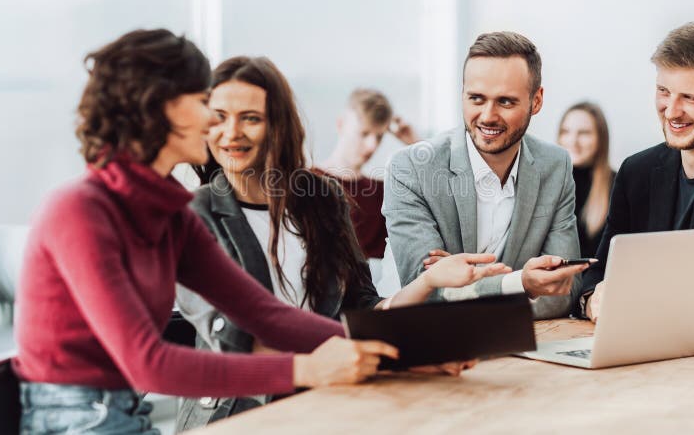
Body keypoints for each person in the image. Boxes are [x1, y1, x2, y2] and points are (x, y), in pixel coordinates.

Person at [13, 29, 404, 434]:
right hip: (70, 418)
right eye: (204, 103)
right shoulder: (79, 211)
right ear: (158, 108)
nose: (213, 122)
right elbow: (149, 364)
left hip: (123, 412)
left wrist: (400, 354)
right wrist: (306, 369)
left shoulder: (169, 215)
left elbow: (266, 315)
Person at [176, 56, 509, 429]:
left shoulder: (322, 199)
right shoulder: (192, 215)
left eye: (250, 118)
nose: (231, 132)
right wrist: (400, 356)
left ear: (277, 125)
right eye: (219, 117)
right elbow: (236, 343)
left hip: (331, 400)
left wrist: (428, 284)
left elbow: (361, 310)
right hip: (239, 413)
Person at [384, 31, 590, 319]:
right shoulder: (411, 169)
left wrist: (465, 285)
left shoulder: (555, 165)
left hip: (519, 348)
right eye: (476, 99)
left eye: (505, 102)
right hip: (428, 344)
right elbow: (423, 294)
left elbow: (562, 290)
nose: (488, 116)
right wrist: (522, 282)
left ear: (537, 100)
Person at [578, 21, 694, 328]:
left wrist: (663, 304)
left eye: (690, 98)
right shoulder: (636, 171)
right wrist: (592, 297)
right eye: (664, 91)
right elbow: (600, 271)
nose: (671, 111)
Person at [317, 88, 419, 260]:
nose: (372, 145)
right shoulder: (307, 181)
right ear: (340, 125)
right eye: (364, 133)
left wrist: (417, 145)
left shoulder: (382, 192)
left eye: (379, 137)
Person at [557, 102, 615, 258]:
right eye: (565, 132)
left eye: (584, 133)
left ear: (600, 138)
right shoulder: (547, 183)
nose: (573, 141)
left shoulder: (618, 185)